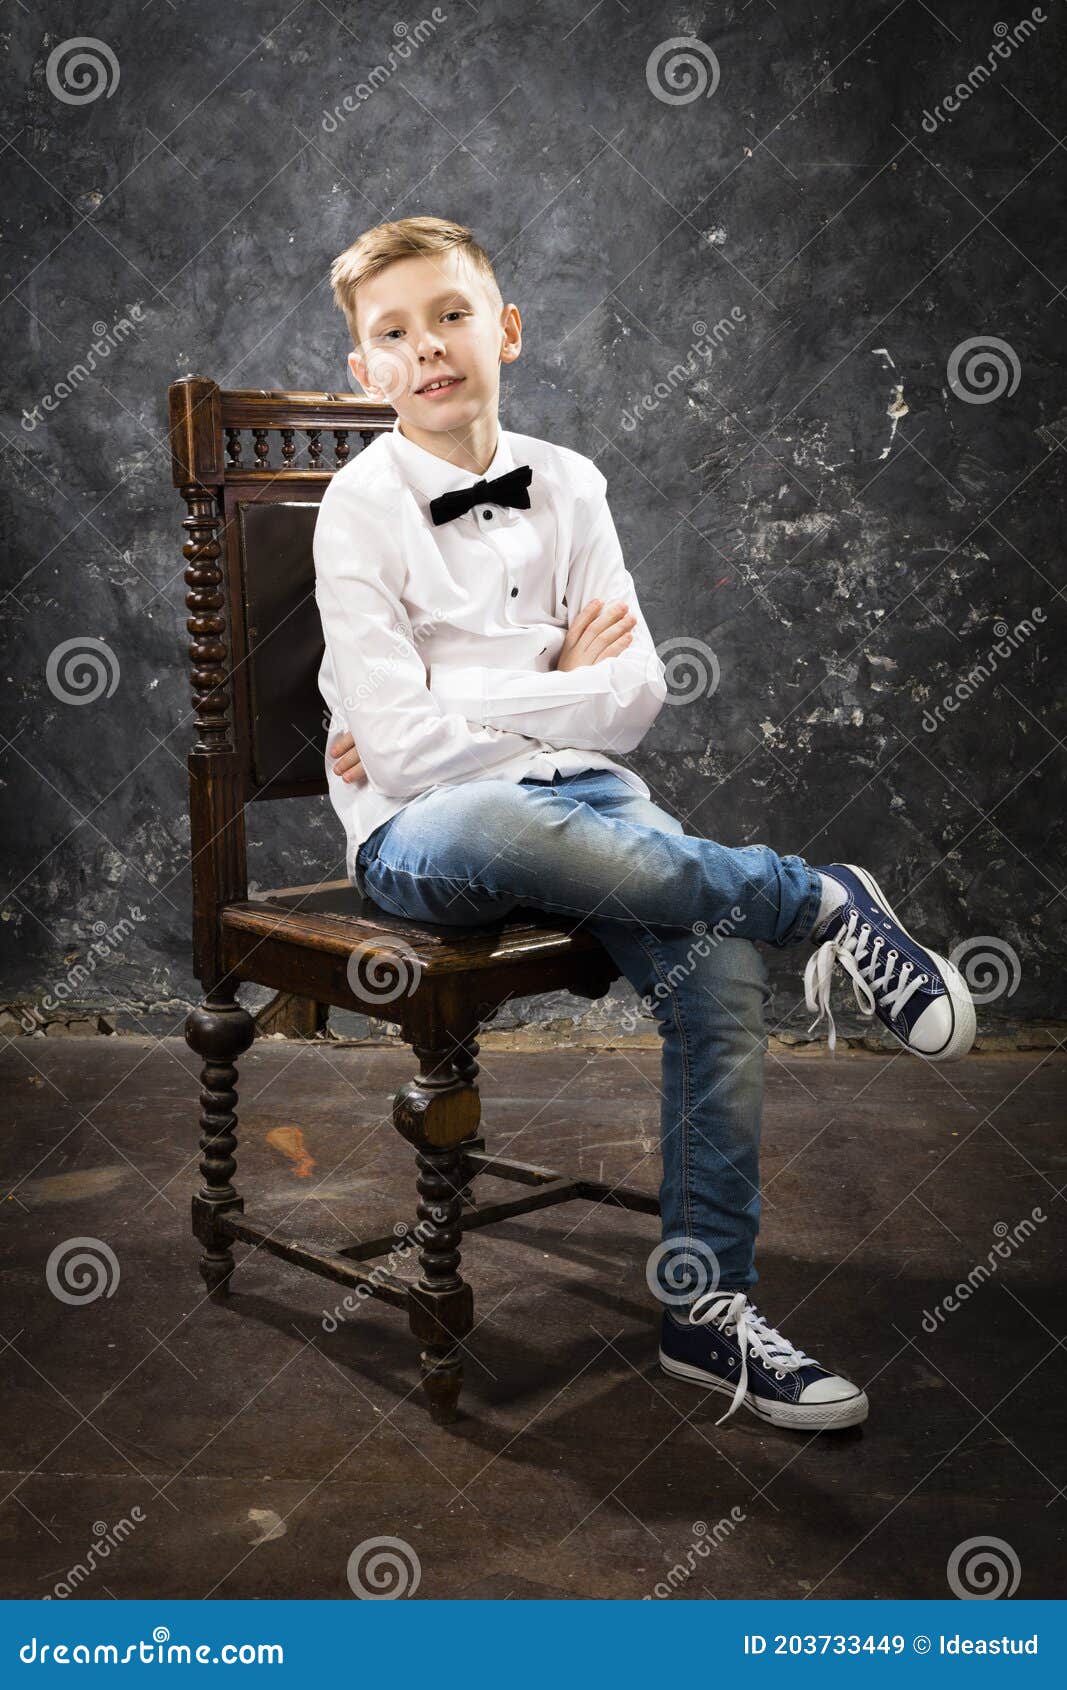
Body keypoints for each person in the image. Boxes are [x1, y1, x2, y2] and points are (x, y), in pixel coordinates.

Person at [313, 215, 976, 1433]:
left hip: (589, 798)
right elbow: (397, 754)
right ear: (366, 370)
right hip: (423, 828)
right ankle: (818, 899)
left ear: (506, 329)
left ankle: (704, 1307)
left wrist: (467, 693)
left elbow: (634, 699)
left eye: (451, 315)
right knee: (506, 823)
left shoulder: (570, 482)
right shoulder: (356, 510)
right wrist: (551, 679)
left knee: (714, 968)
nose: (428, 347)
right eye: (392, 333)